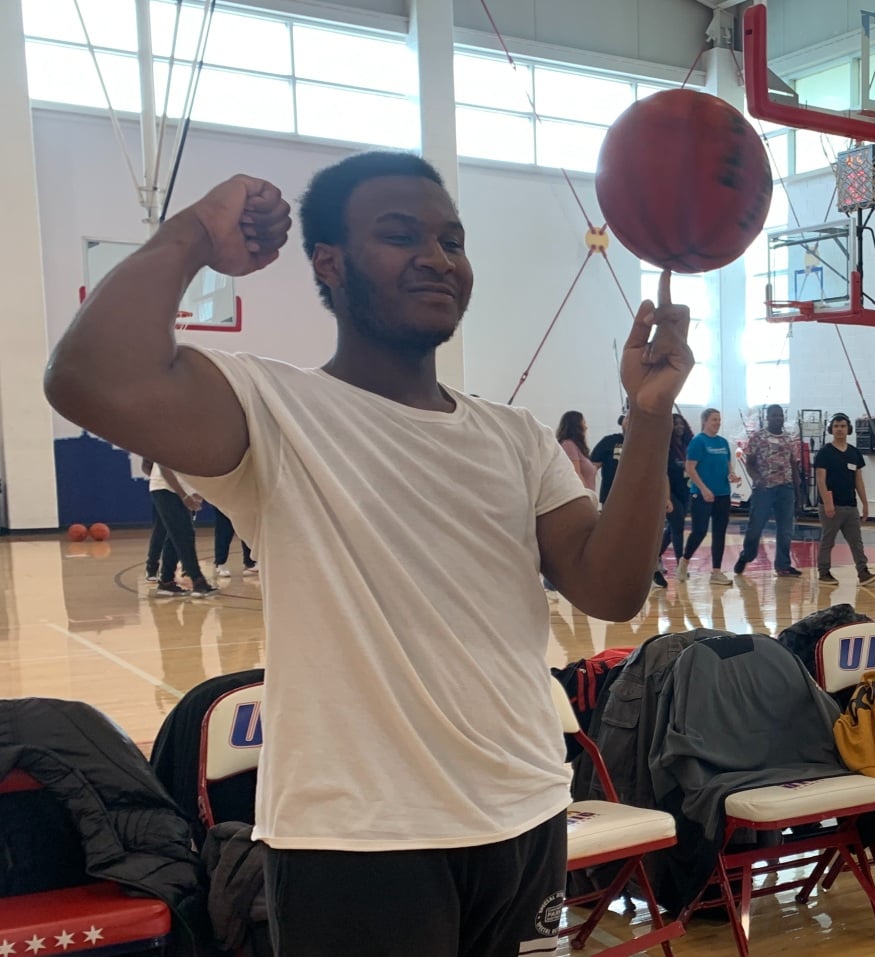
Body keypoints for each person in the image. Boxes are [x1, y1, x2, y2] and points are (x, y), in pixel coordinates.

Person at [44, 152, 693, 957]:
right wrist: (194, 234)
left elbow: (612, 587)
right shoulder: (275, 409)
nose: (436, 256)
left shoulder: (515, 436)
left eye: (451, 239)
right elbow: (88, 377)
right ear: (329, 263)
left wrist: (648, 413)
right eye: (399, 236)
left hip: (523, 813)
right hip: (356, 840)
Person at [735, 403, 801, 577]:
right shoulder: (758, 438)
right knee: (755, 528)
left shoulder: (789, 439)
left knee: (786, 530)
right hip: (764, 489)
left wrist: (797, 490)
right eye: (774, 415)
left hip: (785, 489)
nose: (777, 418)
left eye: (780, 415)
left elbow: (793, 465)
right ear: (767, 417)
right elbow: (749, 464)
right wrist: (758, 478)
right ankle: (746, 555)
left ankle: (783, 565)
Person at [813, 412, 875, 585]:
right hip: (832, 505)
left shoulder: (854, 453)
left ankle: (863, 572)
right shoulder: (824, 453)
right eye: (836, 426)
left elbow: (858, 480)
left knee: (856, 541)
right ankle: (824, 572)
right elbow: (821, 480)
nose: (839, 429)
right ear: (831, 429)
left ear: (848, 428)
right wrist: (828, 503)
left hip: (850, 506)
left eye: (842, 426)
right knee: (828, 540)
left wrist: (865, 503)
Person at [683, 407, 739, 585]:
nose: (718, 422)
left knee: (720, 532)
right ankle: (683, 563)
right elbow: (690, 468)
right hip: (702, 494)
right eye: (714, 419)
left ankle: (716, 571)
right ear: (705, 421)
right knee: (699, 531)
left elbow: (727, 464)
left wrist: (732, 475)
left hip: (722, 493)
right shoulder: (698, 442)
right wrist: (703, 489)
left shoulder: (722, 442)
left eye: (719, 419)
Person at [148, 461, 217, 598]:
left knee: (175, 535)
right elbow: (164, 466)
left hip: (181, 490)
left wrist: (195, 492)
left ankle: (166, 582)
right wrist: (183, 495)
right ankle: (198, 581)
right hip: (166, 489)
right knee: (183, 535)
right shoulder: (169, 440)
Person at [656, 412, 692, 586]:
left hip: (685, 490)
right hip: (670, 492)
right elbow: (663, 473)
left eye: (681, 424)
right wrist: (666, 496)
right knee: (677, 527)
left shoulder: (686, 445)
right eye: (675, 424)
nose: (679, 427)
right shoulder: (665, 447)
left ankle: (655, 555)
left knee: (673, 528)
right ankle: (680, 563)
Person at [557, 410, 597, 491]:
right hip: (582, 496)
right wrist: (586, 496)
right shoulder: (568, 445)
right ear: (577, 426)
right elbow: (576, 474)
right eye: (584, 423)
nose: (586, 427)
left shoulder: (577, 447)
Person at [590, 414, 625, 504]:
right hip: (611, 496)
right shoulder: (609, 441)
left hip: (639, 497)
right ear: (621, 421)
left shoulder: (645, 443)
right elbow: (592, 468)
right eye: (628, 417)